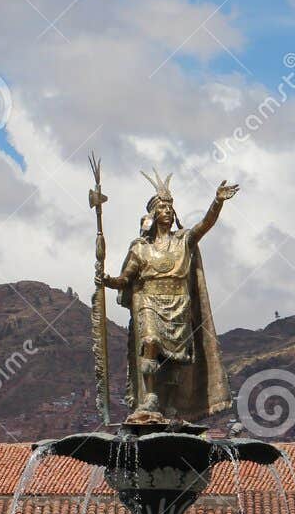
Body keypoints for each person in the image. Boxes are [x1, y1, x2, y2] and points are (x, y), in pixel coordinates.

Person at [95, 169, 235, 420]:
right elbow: (125, 279)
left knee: (175, 360)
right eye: (162, 207)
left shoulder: (183, 240)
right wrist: (107, 280)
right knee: (150, 341)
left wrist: (217, 202)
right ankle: (148, 398)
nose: (168, 211)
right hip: (148, 301)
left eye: (171, 208)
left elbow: (205, 226)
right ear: (152, 214)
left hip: (179, 303)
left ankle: (170, 404)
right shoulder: (140, 249)